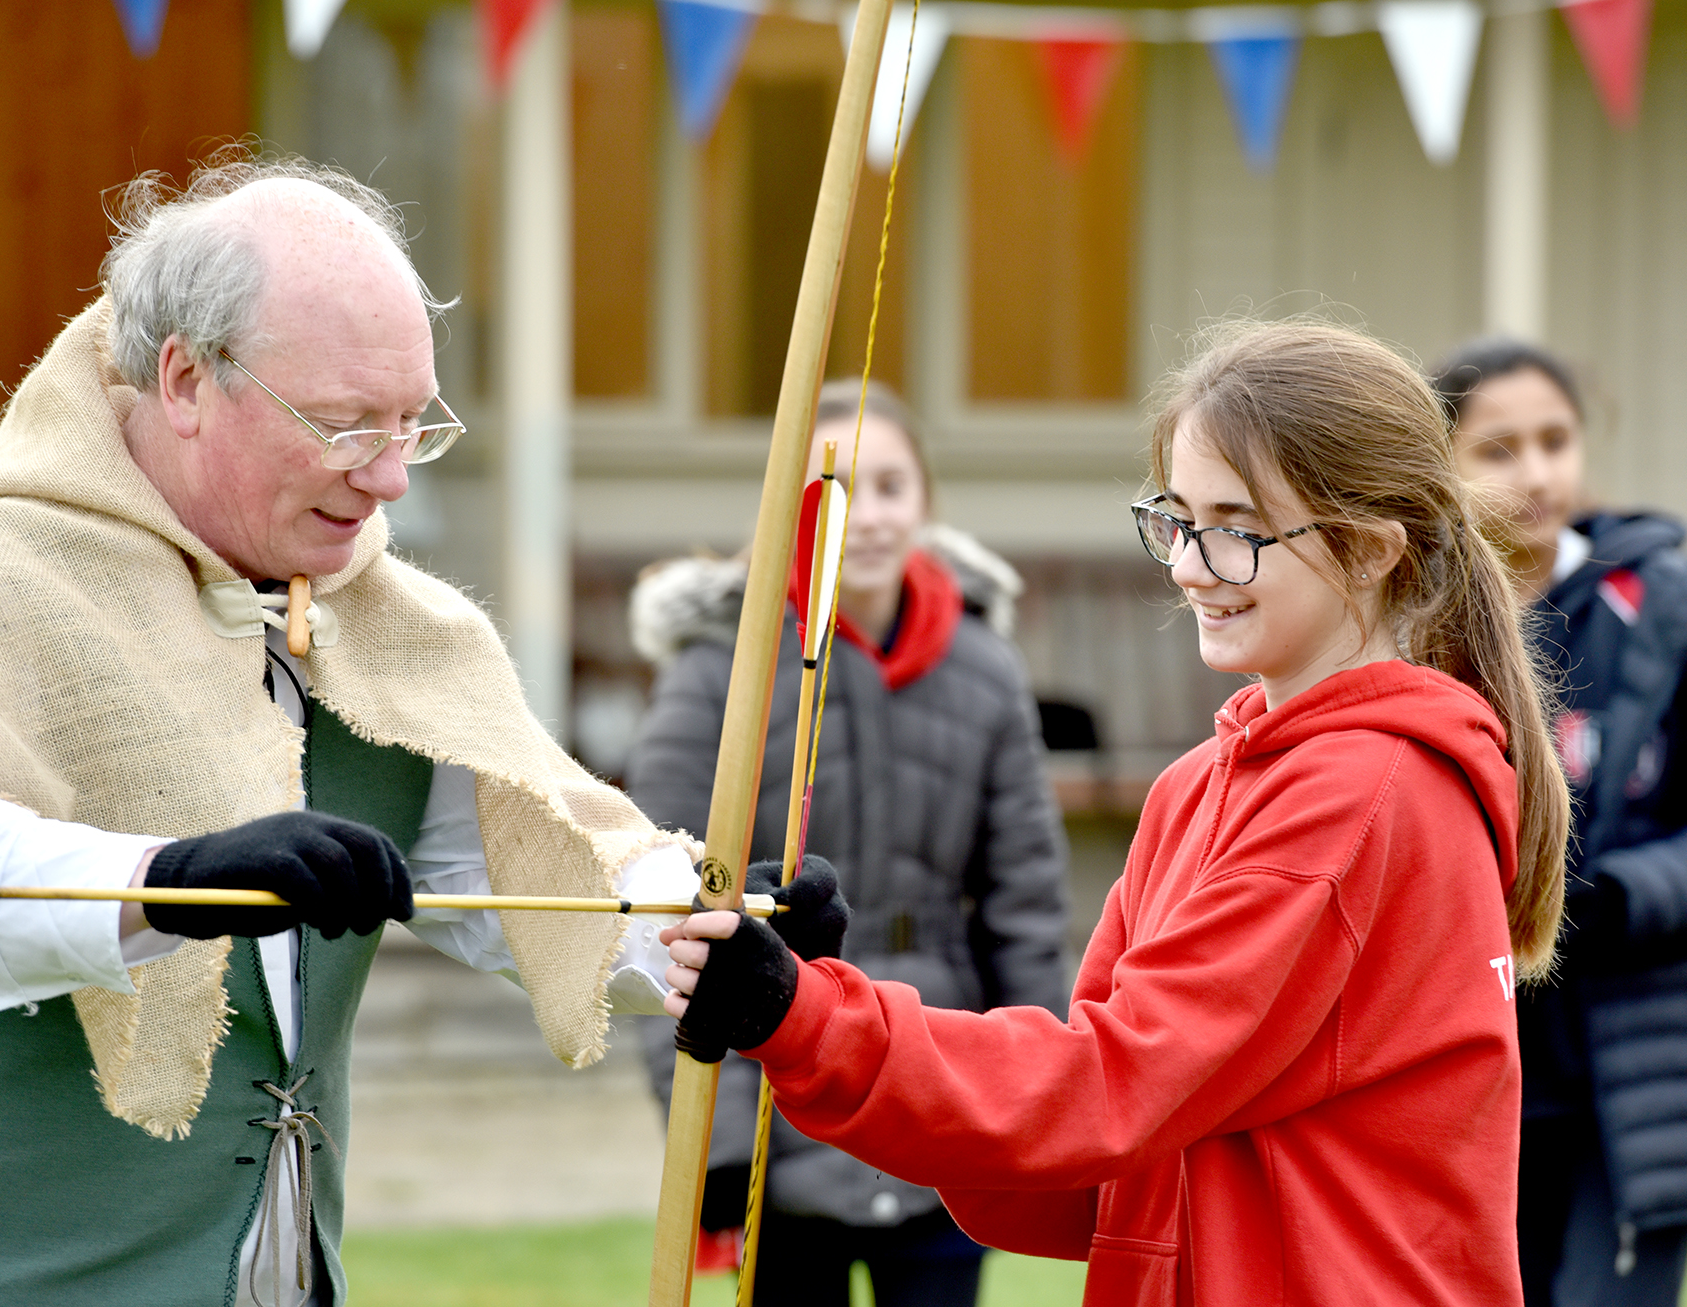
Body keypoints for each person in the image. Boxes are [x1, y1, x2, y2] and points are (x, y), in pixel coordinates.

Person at [0, 154, 701, 1307]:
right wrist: (167, 882)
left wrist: (702, 922)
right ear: (184, 380)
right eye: (342, 426)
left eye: (409, 425)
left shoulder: (378, 626)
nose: (386, 478)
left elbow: (522, 873)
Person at [655, 321, 1572, 1306]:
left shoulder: (1360, 793)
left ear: (1366, 549)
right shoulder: (1197, 789)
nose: (1185, 567)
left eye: (1234, 529)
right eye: (1176, 519)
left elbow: (1109, 1084)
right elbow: (1087, 1167)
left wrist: (812, 1022)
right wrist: (819, 999)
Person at [628, 380, 1069, 1307]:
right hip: (779, 1092)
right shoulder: (719, 673)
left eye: (892, 486)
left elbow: (1025, 906)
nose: (866, 516)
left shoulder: (986, 671)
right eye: (835, 488)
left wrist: (1033, 1094)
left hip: (943, 1087)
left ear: (926, 504)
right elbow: (666, 908)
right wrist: (714, 1138)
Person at [1434, 339, 1687, 1306]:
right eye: (1499, 449)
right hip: (1463, 1074)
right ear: (1440, 466)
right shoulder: (1414, 625)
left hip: (1627, 1070)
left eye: (1555, 440)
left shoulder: (1657, 606)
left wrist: (1616, 897)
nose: (1536, 473)